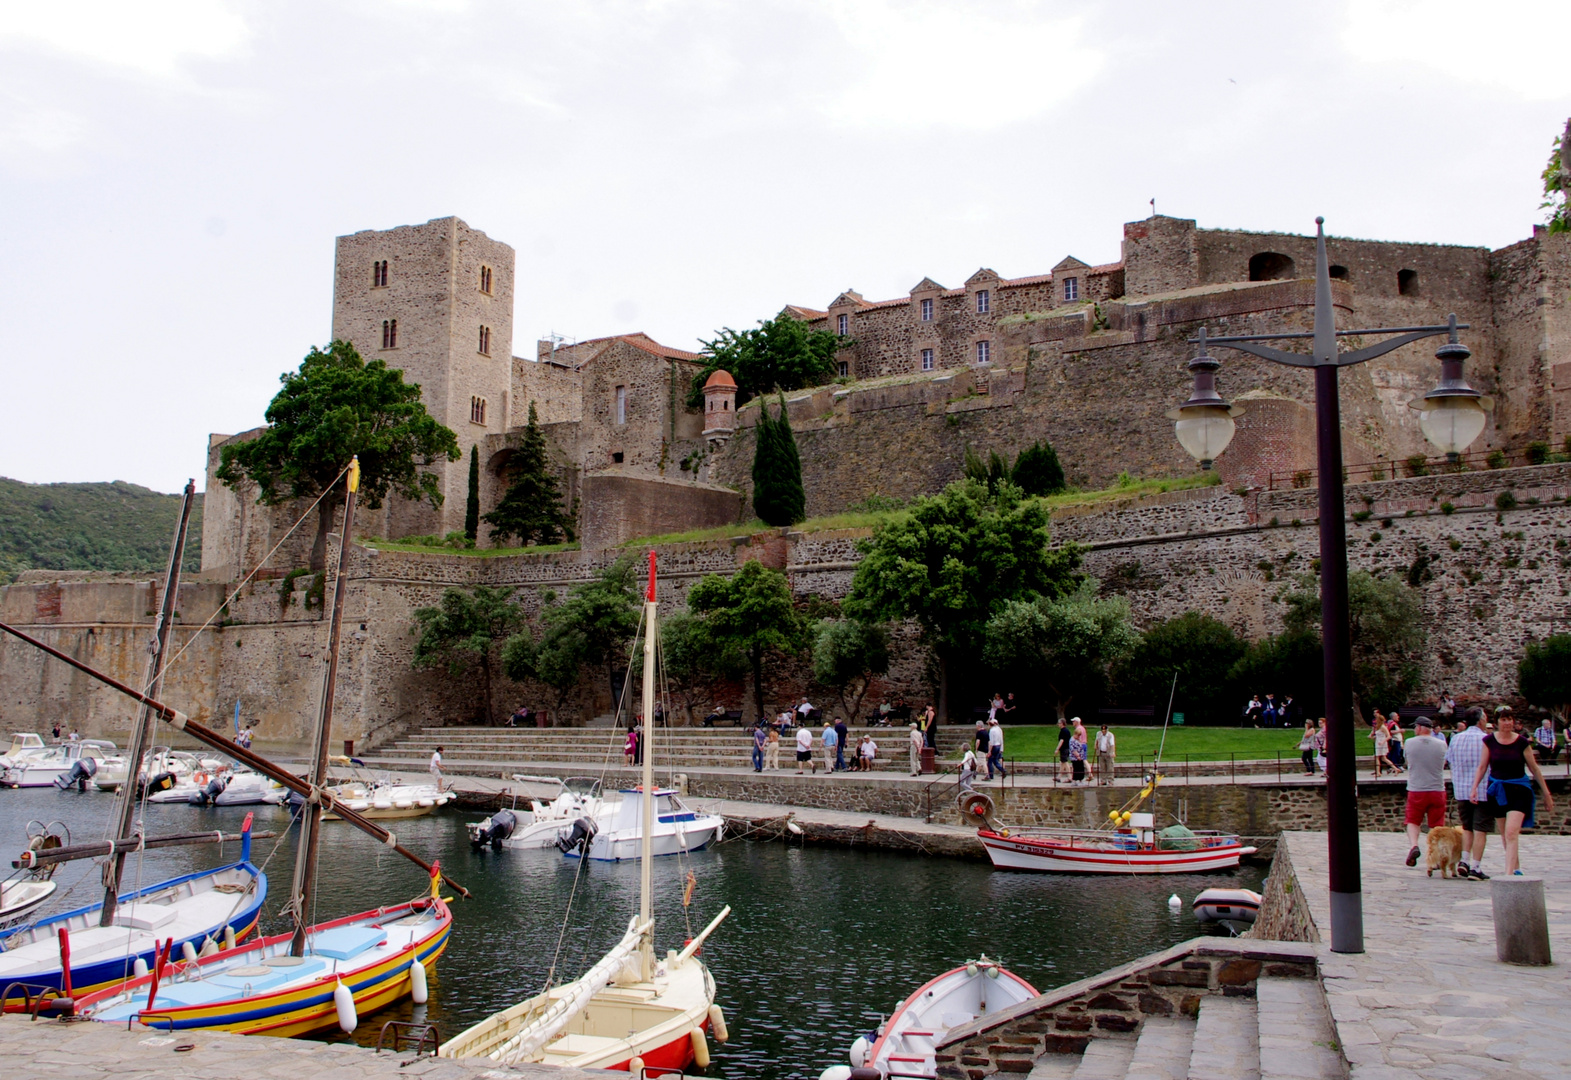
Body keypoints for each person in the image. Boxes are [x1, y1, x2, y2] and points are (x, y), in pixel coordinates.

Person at [1469, 710, 1555, 876]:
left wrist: (1546, 793)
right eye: (1504, 720)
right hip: (1498, 790)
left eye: (1510, 719)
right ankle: (1516, 869)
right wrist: (1474, 788)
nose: (1507, 723)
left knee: (1511, 832)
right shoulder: (1489, 741)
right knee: (1505, 834)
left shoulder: (1522, 742)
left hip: (1518, 790)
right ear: (1497, 723)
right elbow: (1482, 766)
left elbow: (1534, 768)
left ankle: (1508, 875)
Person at [1446, 707, 1492, 879]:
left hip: (1461, 789)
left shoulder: (1456, 739)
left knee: (1467, 827)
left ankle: (1464, 860)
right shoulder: (1486, 739)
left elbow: (1449, 760)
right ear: (1481, 720)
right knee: (1480, 828)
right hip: (1482, 789)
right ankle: (1476, 867)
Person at [1402, 717, 1450, 867]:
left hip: (1416, 788)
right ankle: (1435, 855)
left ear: (1419, 727)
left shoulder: (1409, 743)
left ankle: (1414, 845)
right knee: (1436, 825)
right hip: (1437, 788)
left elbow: (1407, 762)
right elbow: (1444, 763)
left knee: (1413, 821)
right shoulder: (1442, 744)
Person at [1055, 717, 1071, 782]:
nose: (1058, 724)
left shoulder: (1063, 731)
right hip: (1066, 748)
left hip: (1064, 748)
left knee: (1065, 762)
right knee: (1062, 763)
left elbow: (1061, 741)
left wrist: (1057, 749)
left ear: (1062, 723)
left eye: (1059, 723)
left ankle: (1070, 777)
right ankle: (1059, 777)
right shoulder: (1066, 730)